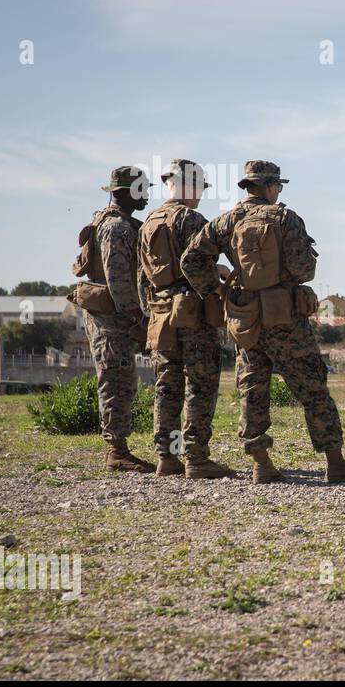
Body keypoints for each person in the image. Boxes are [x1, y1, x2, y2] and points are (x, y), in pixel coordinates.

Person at [180, 160, 345, 484]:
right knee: (312, 388)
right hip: (286, 319)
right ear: (269, 187)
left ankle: (261, 464)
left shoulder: (226, 221)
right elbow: (304, 269)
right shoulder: (285, 218)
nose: (278, 191)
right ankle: (335, 463)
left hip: (246, 319)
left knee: (252, 388)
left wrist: (216, 291)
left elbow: (191, 260)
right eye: (278, 186)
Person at [137, 159, 234, 479]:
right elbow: (196, 265)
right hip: (193, 316)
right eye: (201, 188)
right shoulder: (192, 220)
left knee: (167, 387)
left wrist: (150, 309)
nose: (201, 195)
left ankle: (167, 456)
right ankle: (196, 458)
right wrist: (215, 288)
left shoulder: (148, 221)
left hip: (160, 315)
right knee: (200, 385)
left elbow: (142, 278)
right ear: (190, 185)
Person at [69, 166, 155, 473]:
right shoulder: (117, 227)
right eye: (143, 189)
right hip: (113, 319)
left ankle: (118, 448)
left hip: (108, 316)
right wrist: (137, 317)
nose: (147, 195)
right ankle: (116, 451)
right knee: (116, 381)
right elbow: (118, 279)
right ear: (129, 192)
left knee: (120, 379)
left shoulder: (105, 221)